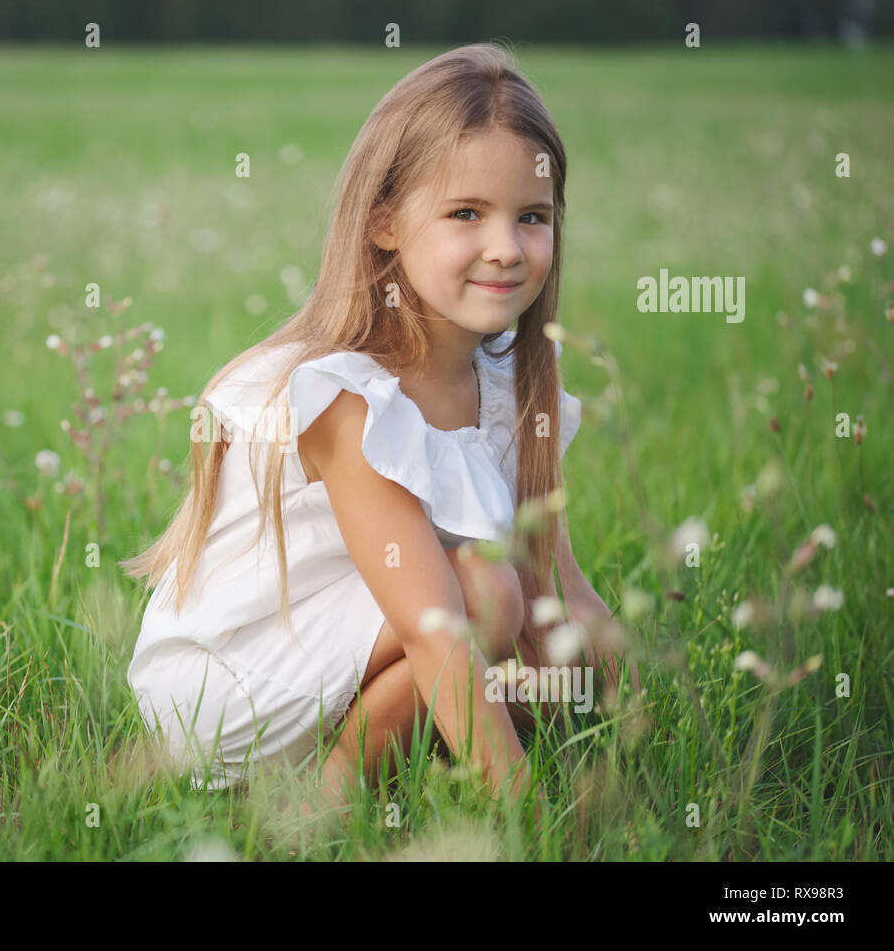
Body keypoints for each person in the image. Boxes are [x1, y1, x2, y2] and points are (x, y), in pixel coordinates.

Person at [120, 42, 641, 816]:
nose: (505, 247)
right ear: (386, 223)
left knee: (539, 649)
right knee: (484, 599)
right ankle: (327, 797)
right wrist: (533, 820)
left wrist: (645, 717)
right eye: (466, 213)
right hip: (231, 685)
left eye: (530, 217)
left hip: (364, 645)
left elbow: (556, 579)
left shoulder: (519, 378)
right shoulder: (346, 398)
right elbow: (437, 626)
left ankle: (412, 750)